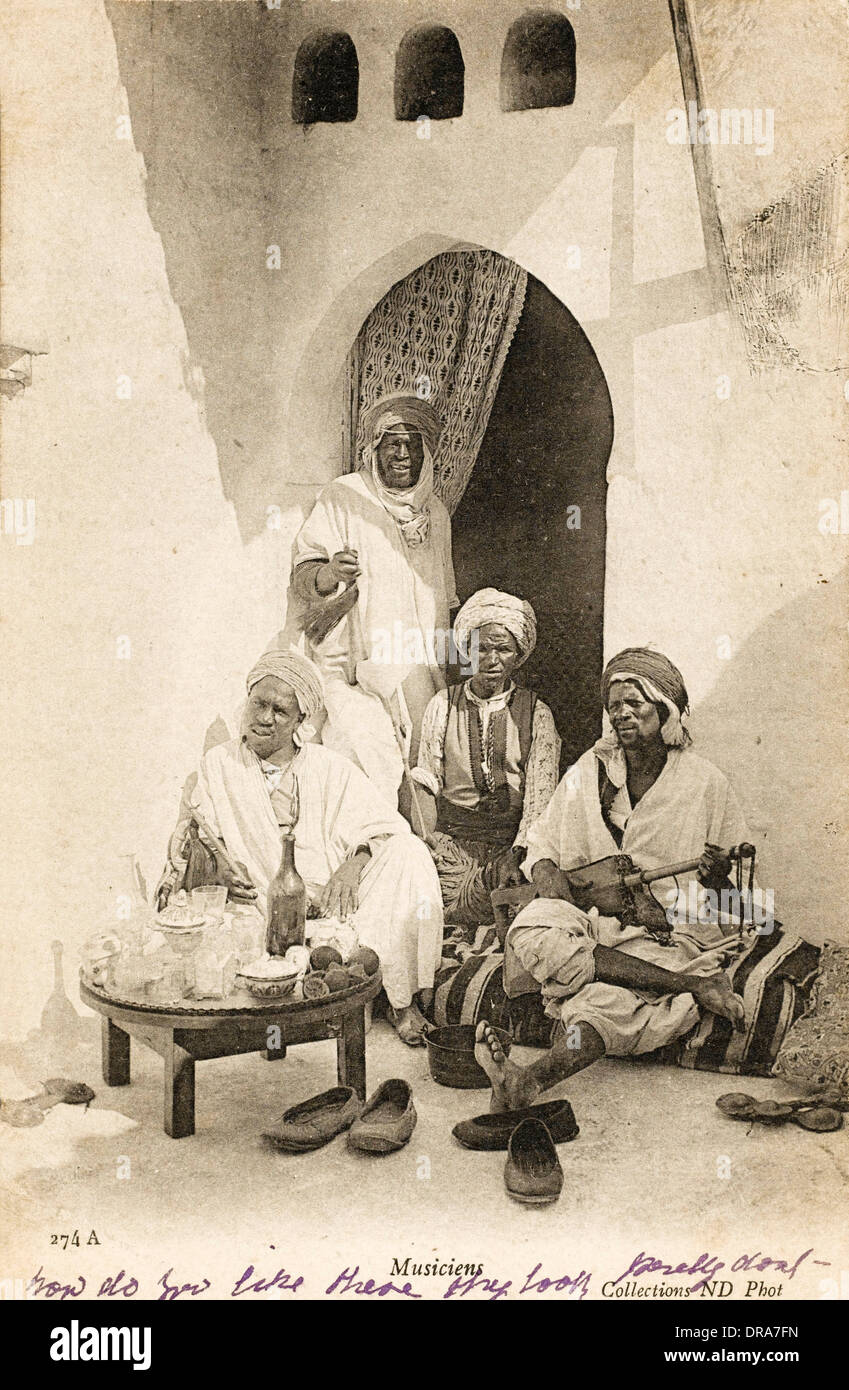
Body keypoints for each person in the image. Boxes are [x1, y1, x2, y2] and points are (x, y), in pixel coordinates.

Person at [474, 646, 757, 1110]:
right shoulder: (592, 769)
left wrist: (718, 879)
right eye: (614, 705)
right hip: (590, 921)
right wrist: (547, 872)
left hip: (666, 933)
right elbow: (543, 840)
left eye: (634, 703)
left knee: (606, 1005)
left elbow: (739, 907)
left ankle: (529, 1080)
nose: (621, 713)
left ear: (664, 709)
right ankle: (689, 986)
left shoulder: (705, 783)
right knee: (531, 926)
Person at [158, 650, 442, 1045]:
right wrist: (222, 871)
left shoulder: (329, 766)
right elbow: (202, 837)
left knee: (409, 853)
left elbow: (384, 826)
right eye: (259, 704)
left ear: (300, 720)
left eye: (279, 711)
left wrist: (355, 864)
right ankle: (331, 987)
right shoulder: (219, 764)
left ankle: (400, 999)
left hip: (337, 903)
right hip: (259, 906)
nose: (265, 718)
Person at [291, 393, 458, 804]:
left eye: (412, 445)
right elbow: (304, 577)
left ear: (426, 453)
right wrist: (331, 572)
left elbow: (445, 597)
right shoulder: (344, 496)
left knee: (420, 766)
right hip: (356, 667)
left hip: (418, 667)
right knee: (362, 756)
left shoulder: (436, 513)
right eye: (392, 444)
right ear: (374, 450)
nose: (402, 454)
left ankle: (408, 837)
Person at [411, 589, 561, 925]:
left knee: (526, 908)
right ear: (467, 650)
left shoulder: (537, 713)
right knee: (425, 900)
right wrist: (427, 842)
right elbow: (425, 782)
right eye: (482, 648)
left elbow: (539, 800)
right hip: (452, 846)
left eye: (503, 649)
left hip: (513, 847)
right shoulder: (442, 705)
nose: (492, 660)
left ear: (517, 654)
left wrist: (519, 853)